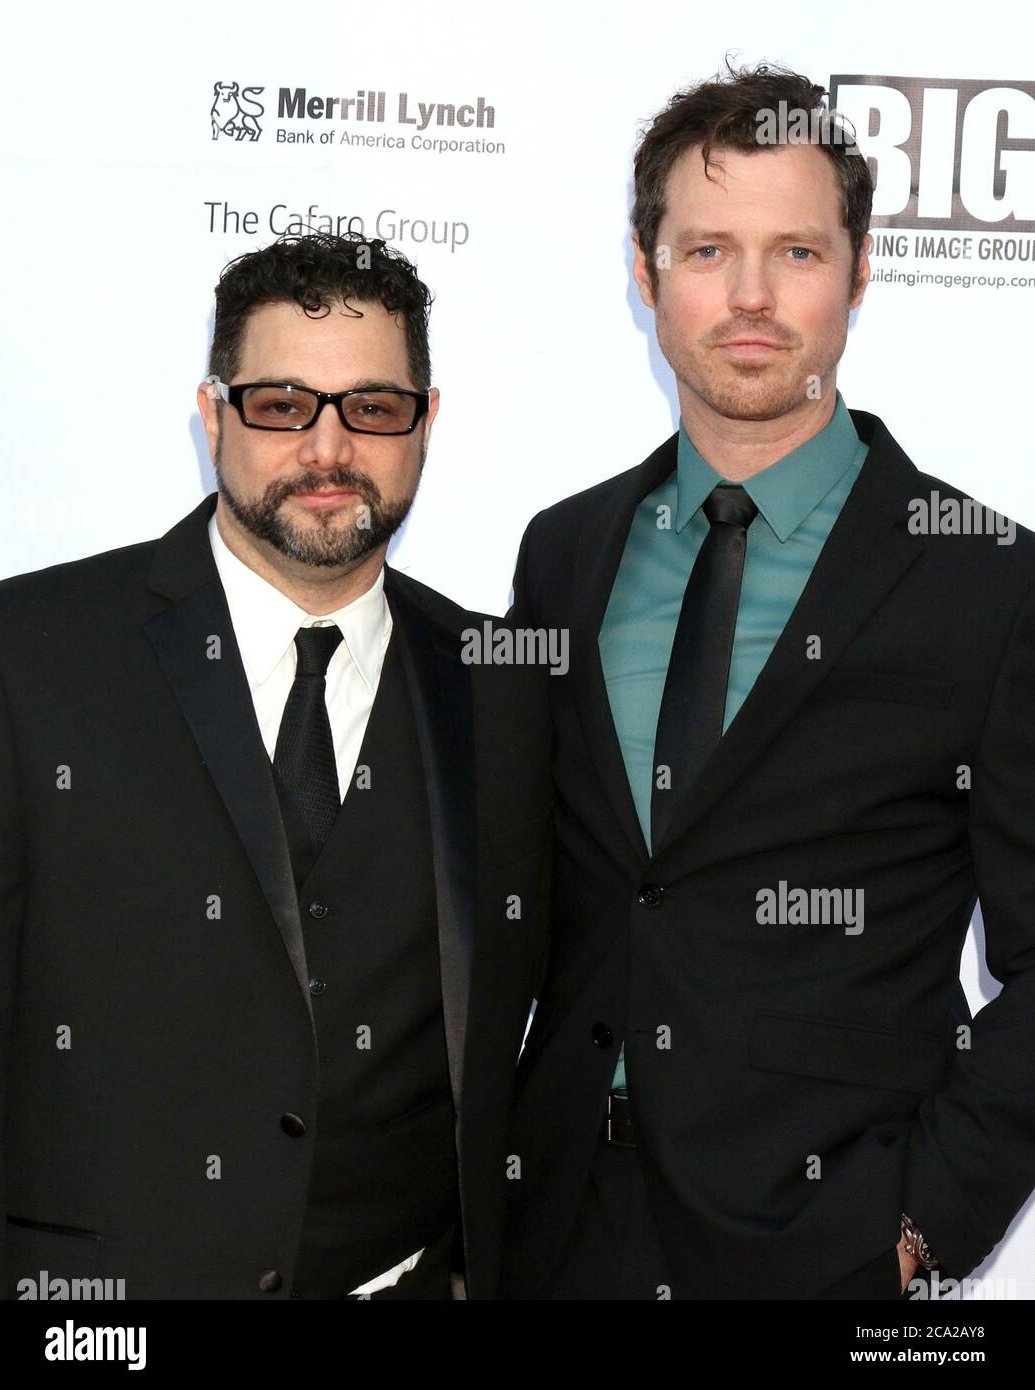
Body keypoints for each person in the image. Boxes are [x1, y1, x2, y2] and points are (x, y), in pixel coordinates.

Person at [502, 60, 1035, 1300]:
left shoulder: (989, 584)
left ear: (858, 272)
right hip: (559, 1232)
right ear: (644, 277)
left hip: (824, 1249)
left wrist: (918, 1228)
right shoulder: (563, 553)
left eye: (794, 251)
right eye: (705, 252)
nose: (748, 297)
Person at [0, 232, 550, 1300]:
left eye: (374, 408)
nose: (329, 448)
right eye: (283, 404)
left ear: (426, 425)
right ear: (212, 416)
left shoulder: (499, 685)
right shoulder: (30, 655)